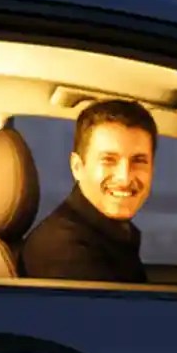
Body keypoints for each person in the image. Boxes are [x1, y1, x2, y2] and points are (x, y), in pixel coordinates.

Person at [20, 99, 157, 282]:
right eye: (108, 160)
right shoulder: (65, 251)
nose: (124, 178)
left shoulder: (110, 234)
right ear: (77, 167)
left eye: (138, 161)